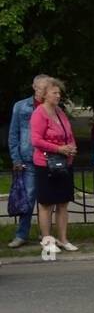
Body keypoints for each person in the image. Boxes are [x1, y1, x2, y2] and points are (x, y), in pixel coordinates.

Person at [29, 77, 78, 253]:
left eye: (59, 92)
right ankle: (48, 240)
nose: (58, 95)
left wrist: (72, 148)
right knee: (46, 203)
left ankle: (63, 239)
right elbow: (36, 140)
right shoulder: (39, 113)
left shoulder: (60, 112)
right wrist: (59, 148)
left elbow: (69, 134)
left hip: (63, 163)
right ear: (44, 94)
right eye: (54, 92)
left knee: (63, 202)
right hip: (45, 164)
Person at [7, 74, 48, 248]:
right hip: (28, 158)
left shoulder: (52, 107)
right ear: (34, 87)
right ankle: (21, 234)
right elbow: (13, 134)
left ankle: (44, 234)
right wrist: (16, 158)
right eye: (41, 87)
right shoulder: (21, 106)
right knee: (28, 197)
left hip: (49, 158)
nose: (44, 91)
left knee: (47, 199)